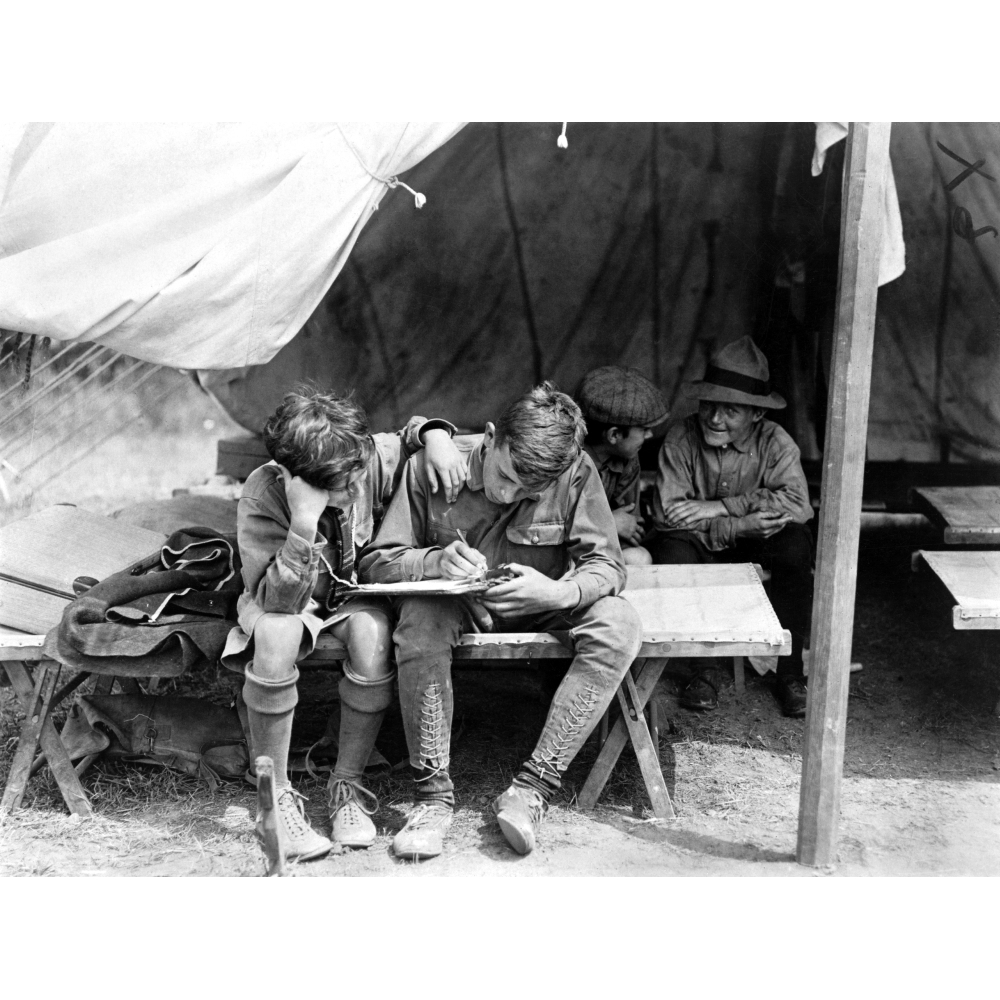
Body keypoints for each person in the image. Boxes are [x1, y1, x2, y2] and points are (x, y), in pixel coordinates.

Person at [359, 383, 643, 860]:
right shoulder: (428, 467)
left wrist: (558, 591)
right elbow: (377, 563)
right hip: (454, 607)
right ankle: (431, 798)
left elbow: (607, 566)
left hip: (543, 603)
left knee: (619, 623)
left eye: (528, 490)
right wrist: (433, 563)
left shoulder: (576, 472)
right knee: (421, 619)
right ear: (491, 437)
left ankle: (533, 788)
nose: (508, 492)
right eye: (505, 475)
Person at [221, 389, 468, 862]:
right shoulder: (264, 492)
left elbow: (401, 439)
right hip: (283, 600)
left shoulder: (360, 459)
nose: (357, 490)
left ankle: (346, 785)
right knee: (276, 635)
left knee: (373, 638)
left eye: (358, 476)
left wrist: (435, 434)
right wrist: (304, 523)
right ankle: (274, 799)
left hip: (348, 599)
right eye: (341, 486)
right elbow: (276, 598)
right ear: (297, 480)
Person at [648, 337, 814, 718]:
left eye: (731, 410)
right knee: (672, 550)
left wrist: (719, 507)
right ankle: (703, 670)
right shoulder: (681, 437)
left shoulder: (776, 443)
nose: (714, 418)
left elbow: (798, 506)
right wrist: (740, 525)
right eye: (709, 405)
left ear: (757, 414)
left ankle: (790, 674)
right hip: (703, 544)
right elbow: (668, 515)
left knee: (794, 545)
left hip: (755, 540)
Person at [575, 365, 669, 566]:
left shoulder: (628, 459)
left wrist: (615, 527)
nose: (650, 435)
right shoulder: (562, 459)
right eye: (644, 429)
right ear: (614, 435)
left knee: (639, 558)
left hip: (598, 545)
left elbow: (629, 525)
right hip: (557, 552)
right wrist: (607, 522)